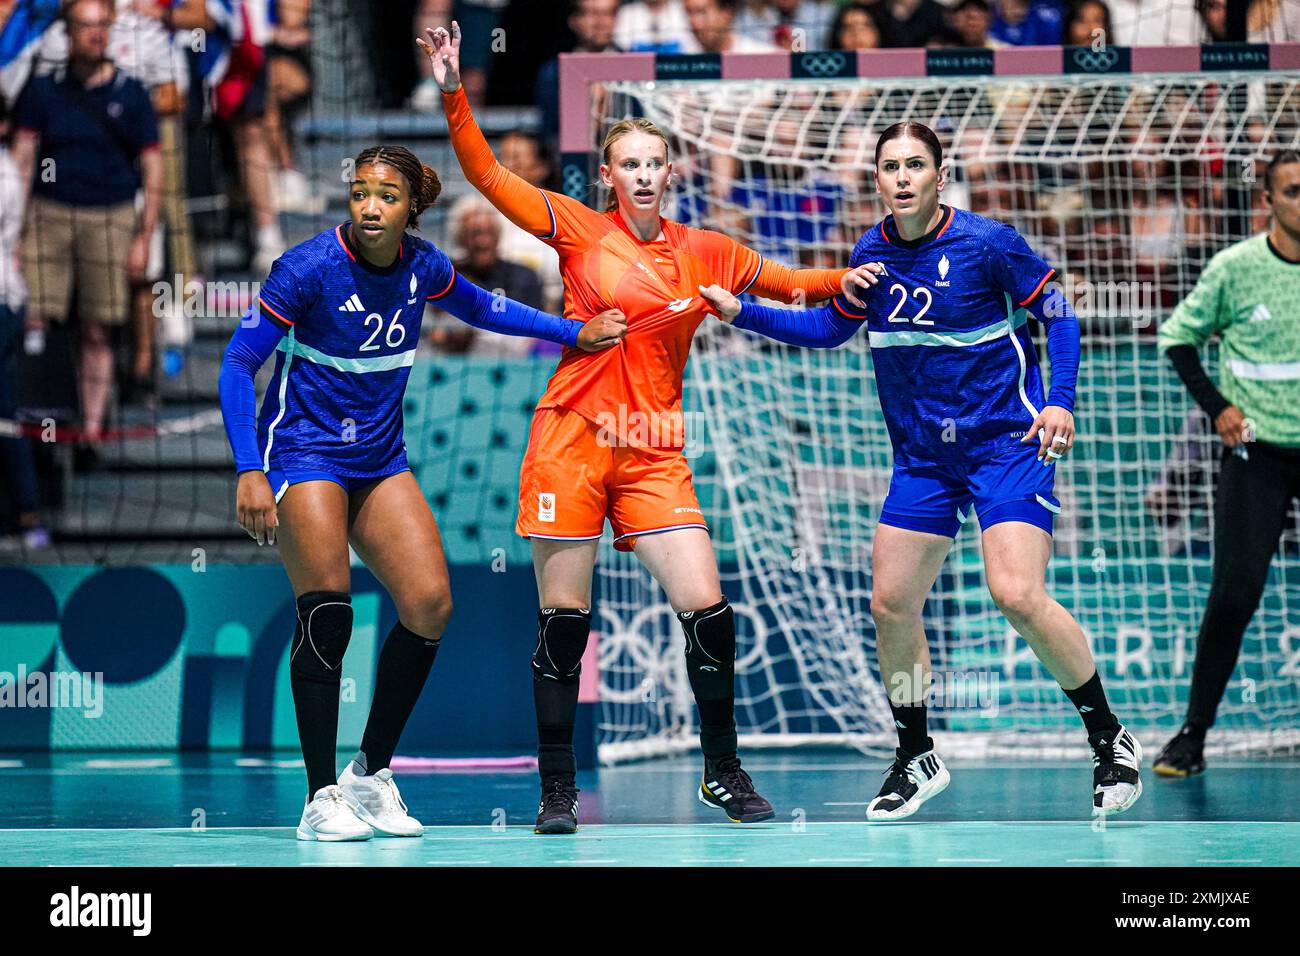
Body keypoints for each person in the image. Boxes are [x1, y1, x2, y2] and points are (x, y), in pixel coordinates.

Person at [424, 21, 877, 834]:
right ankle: (556, 789)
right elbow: (487, 174)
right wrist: (455, 89)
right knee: (566, 625)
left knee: (709, 609)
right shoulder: (574, 226)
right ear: (607, 175)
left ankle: (721, 772)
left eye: (652, 164)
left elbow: (791, 281)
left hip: (654, 447)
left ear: (672, 172)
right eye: (626, 164)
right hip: (571, 437)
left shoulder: (704, 250)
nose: (640, 175)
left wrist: (854, 277)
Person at [699, 121, 1144, 820]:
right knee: (890, 604)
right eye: (888, 167)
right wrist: (741, 312)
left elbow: (1059, 311)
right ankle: (916, 754)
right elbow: (829, 328)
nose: (901, 177)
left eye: (914, 164)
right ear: (875, 179)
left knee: (1017, 594)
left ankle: (1108, 737)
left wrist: (1060, 402)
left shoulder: (988, 243)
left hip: (1007, 444)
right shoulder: (870, 252)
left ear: (942, 173)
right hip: (922, 460)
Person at [218, 143, 626, 841]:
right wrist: (250, 467)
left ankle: (368, 774)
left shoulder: (424, 267)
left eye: (386, 196)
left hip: (379, 459)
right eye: (360, 193)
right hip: (303, 450)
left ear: (413, 209)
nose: (370, 207)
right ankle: (320, 799)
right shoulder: (307, 269)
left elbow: (486, 307)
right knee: (328, 612)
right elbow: (237, 360)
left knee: (431, 604)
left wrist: (571, 333)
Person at [1152, 151, 1300, 778]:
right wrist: (1217, 407)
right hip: (1255, 456)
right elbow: (1175, 337)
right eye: (1293, 190)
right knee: (1234, 596)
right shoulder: (1234, 269)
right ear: (1268, 200)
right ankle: (1193, 735)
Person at [11, 0, 162, 470]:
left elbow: (154, 169)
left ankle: (91, 432)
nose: (95, 35)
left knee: (98, 329)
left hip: (110, 215)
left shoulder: (133, 94)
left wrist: (144, 235)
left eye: (103, 26)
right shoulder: (41, 90)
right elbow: (21, 159)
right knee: (35, 321)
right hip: (47, 215)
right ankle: (37, 427)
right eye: (86, 26)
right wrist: (10, 235)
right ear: (69, 33)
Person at [428, 194, 546, 356]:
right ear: (460, 238)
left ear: (498, 235)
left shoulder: (523, 276)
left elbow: (534, 334)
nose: (482, 242)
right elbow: (437, 333)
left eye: (488, 232)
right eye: (474, 234)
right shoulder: (447, 275)